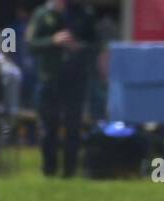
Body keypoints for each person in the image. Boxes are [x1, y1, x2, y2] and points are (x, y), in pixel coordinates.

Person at [27, 0, 97, 177]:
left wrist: (79, 47)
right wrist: (53, 40)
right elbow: (32, 44)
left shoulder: (84, 13)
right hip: (50, 78)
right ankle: (49, 171)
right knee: (49, 127)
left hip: (75, 78)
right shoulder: (42, 14)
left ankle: (70, 172)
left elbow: (95, 43)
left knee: (73, 126)